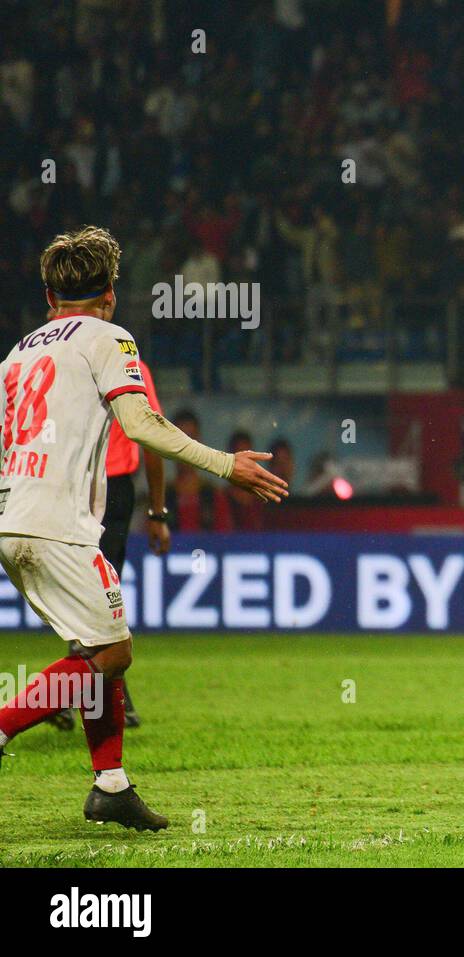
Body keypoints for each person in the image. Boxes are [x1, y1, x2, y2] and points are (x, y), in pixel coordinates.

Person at [0, 226, 289, 831]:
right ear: (110, 294)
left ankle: (110, 785)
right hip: (61, 524)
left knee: (93, 649)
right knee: (113, 652)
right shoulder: (110, 338)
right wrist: (223, 464)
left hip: (14, 519)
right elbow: (143, 426)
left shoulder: (18, 352)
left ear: (50, 299)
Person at [47, 337, 169, 731]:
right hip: (108, 490)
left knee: (83, 592)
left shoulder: (50, 361)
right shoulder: (128, 364)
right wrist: (157, 511)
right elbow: (153, 438)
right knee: (97, 593)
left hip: (68, 486)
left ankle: (74, 695)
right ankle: (88, 695)